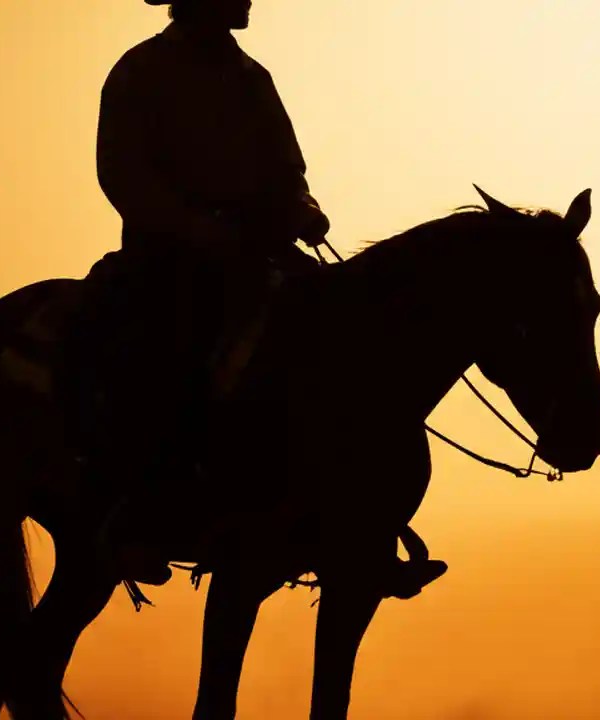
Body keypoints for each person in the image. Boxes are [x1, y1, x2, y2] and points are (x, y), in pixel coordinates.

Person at [85, 0, 443, 598]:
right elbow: (123, 176)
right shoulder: (141, 71)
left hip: (258, 253)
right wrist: (203, 230)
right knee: (168, 352)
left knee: (342, 341)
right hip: (168, 257)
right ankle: (139, 513)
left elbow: (287, 167)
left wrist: (301, 207)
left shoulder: (252, 78)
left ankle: (356, 523)